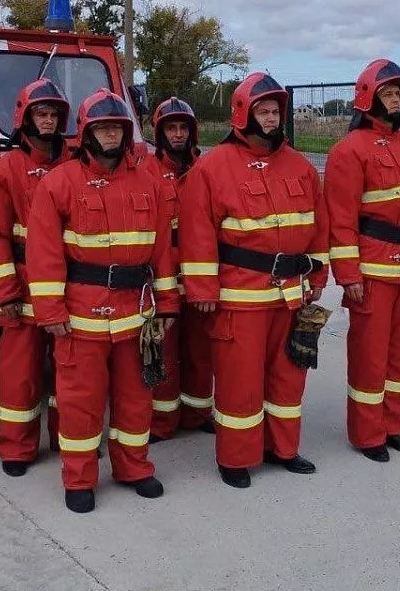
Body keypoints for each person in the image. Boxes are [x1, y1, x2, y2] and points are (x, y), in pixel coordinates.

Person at [26, 88, 180, 514]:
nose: (111, 136)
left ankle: (134, 468)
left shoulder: (148, 184)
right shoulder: (59, 184)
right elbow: (43, 255)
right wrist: (51, 312)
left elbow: (163, 251)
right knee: (80, 402)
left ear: (127, 133)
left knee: (136, 398)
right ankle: (78, 478)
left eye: (117, 128)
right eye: (102, 128)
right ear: (86, 133)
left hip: (137, 312)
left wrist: (167, 304)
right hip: (81, 314)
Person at [179, 72, 329, 489]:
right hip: (240, 295)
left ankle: (283, 449)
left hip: (290, 296)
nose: (270, 117)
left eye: (275, 110)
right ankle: (236, 457)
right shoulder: (211, 168)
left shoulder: (300, 166)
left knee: (288, 375)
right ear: (243, 113)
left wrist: (318, 272)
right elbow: (197, 234)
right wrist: (203, 290)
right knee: (239, 380)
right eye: (262, 110)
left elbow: (318, 225)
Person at [323, 58, 400, 462]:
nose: (394, 100)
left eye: (398, 93)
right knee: (370, 357)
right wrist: (348, 274)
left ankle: (393, 426)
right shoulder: (348, 151)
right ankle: (367, 433)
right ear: (367, 98)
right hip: (372, 272)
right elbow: (340, 222)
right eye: (387, 93)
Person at [0, 79, 70, 477]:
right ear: (24, 119)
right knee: (20, 375)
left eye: (53, 114)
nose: (47, 121)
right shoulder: (5, 171)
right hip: (24, 289)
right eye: (40, 114)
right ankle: (16, 448)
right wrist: (4, 291)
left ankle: (72, 440)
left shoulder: (77, 164)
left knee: (72, 373)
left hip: (70, 286)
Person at [144, 97, 216, 440]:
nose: (177, 134)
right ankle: (161, 422)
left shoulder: (208, 169)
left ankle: (198, 413)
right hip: (163, 276)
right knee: (164, 351)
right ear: (159, 133)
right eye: (170, 128)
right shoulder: (144, 171)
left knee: (201, 350)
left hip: (201, 274)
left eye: (182, 127)